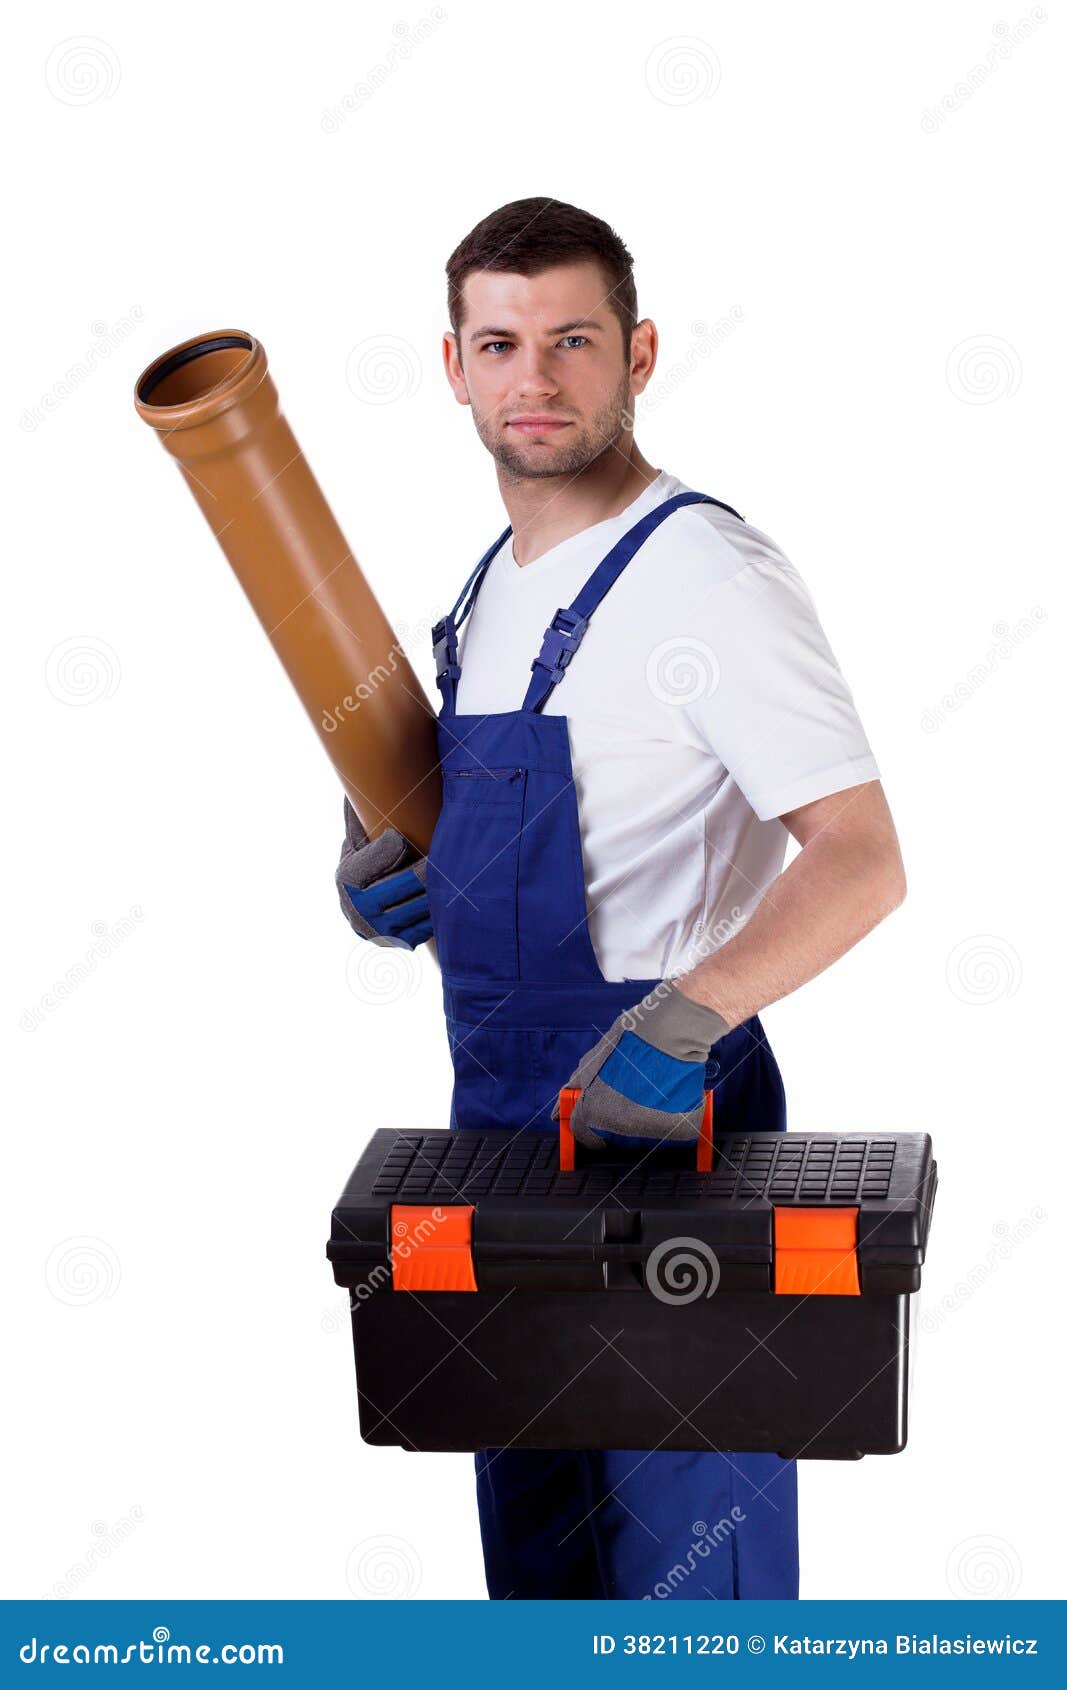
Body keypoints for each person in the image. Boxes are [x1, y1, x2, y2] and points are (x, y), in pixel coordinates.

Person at [336, 197, 906, 1601]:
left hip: (671, 1127)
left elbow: (861, 853)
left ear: (639, 353)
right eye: (501, 344)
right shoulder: (493, 585)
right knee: (540, 1566)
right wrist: (393, 863)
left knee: (686, 1578)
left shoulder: (707, 574)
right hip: (500, 1129)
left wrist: (687, 1022)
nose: (535, 378)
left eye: (573, 340)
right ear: (455, 366)